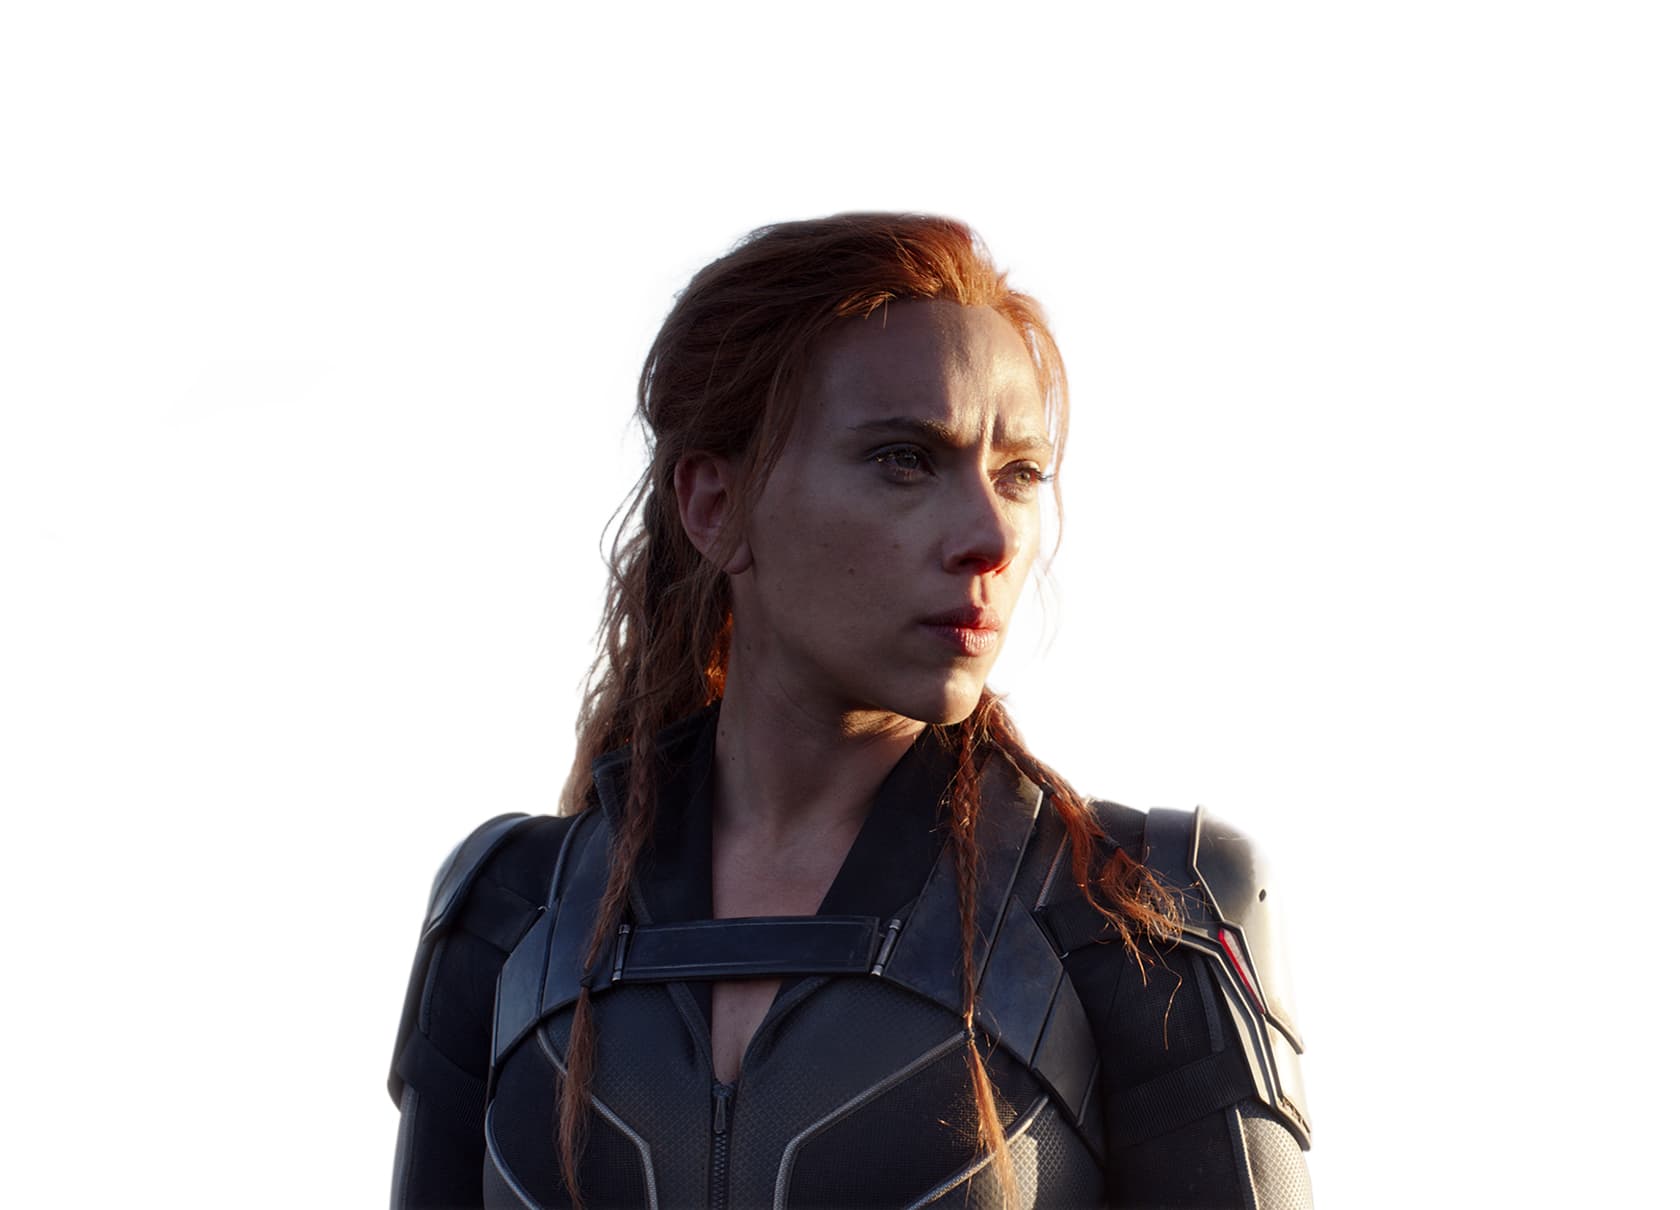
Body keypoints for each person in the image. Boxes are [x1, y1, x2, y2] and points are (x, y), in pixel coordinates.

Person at [388, 214, 1313, 1209]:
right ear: (715, 506)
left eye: (1019, 475)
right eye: (905, 459)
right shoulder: (510, 913)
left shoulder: (1140, 912)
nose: (991, 536)